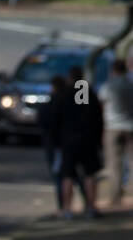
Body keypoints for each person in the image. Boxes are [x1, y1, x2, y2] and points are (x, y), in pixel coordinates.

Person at [53, 65, 102, 218]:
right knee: (89, 174)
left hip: (69, 140)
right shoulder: (88, 92)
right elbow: (97, 117)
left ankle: (67, 209)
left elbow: (56, 117)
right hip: (87, 139)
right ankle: (91, 207)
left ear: (70, 77)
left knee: (67, 175)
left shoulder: (64, 93)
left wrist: (57, 140)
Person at [99, 56, 133, 208]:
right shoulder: (130, 85)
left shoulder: (108, 86)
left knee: (114, 164)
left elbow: (102, 105)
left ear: (113, 70)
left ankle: (115, 195)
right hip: (130, 126)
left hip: (112, 127)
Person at [36, 75, 67, 215]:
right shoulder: (69, 100)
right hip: (67, 142)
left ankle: (63, 207)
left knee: (59, 176)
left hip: (54, 144)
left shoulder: (51, 102)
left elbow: (41, 120)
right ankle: (79, 205)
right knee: (72, 176)